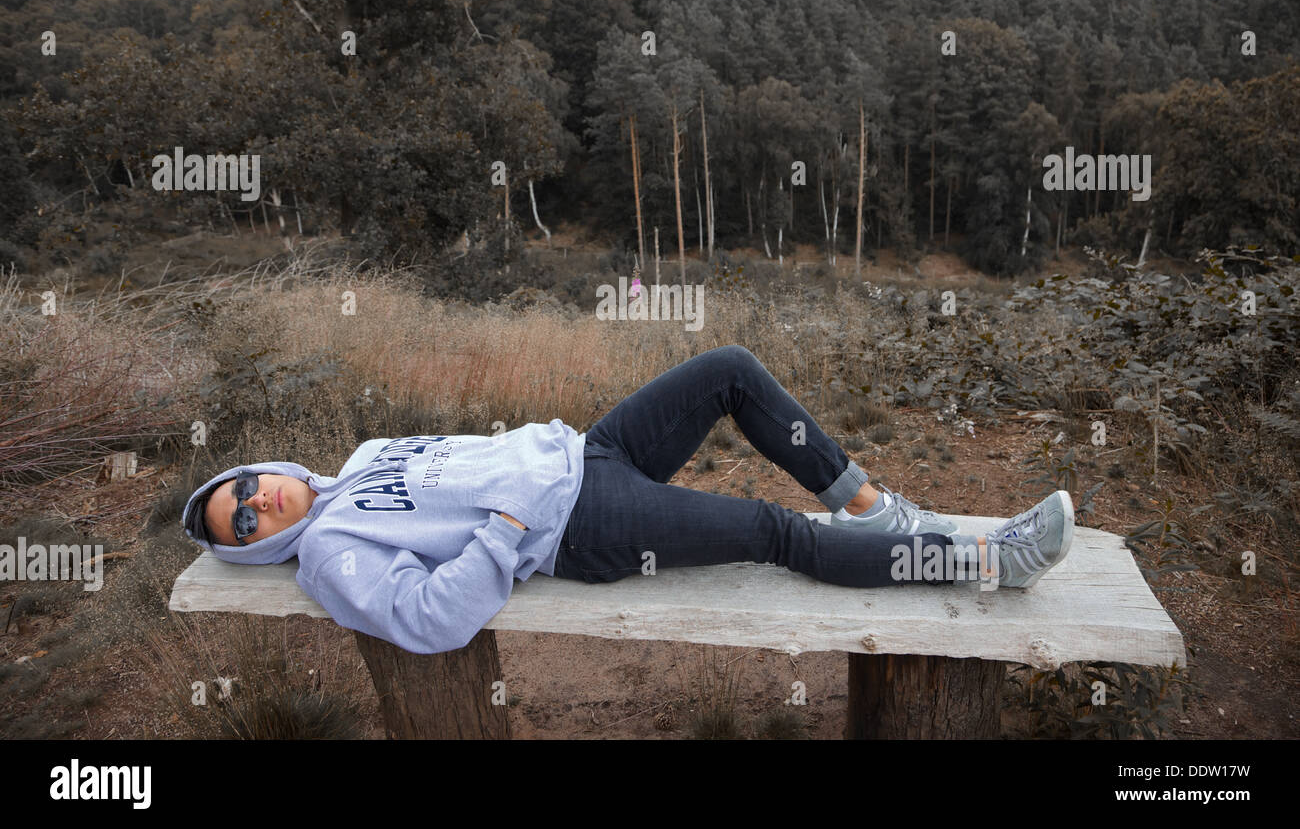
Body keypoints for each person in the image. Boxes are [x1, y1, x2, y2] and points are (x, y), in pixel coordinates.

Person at [182, 345, 1073, 654]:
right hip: (579, 526)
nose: (261, 504)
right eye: (246, 526)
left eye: (246, 489)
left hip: (590, 452)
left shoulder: (366, 453)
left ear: (262, 468)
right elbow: (425, 620)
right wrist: (507, 533)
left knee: (727, 372)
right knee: (769, 531)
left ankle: (871, 506)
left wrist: (539, 457)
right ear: (256, 546)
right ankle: (989, 561)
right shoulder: (331, 557)